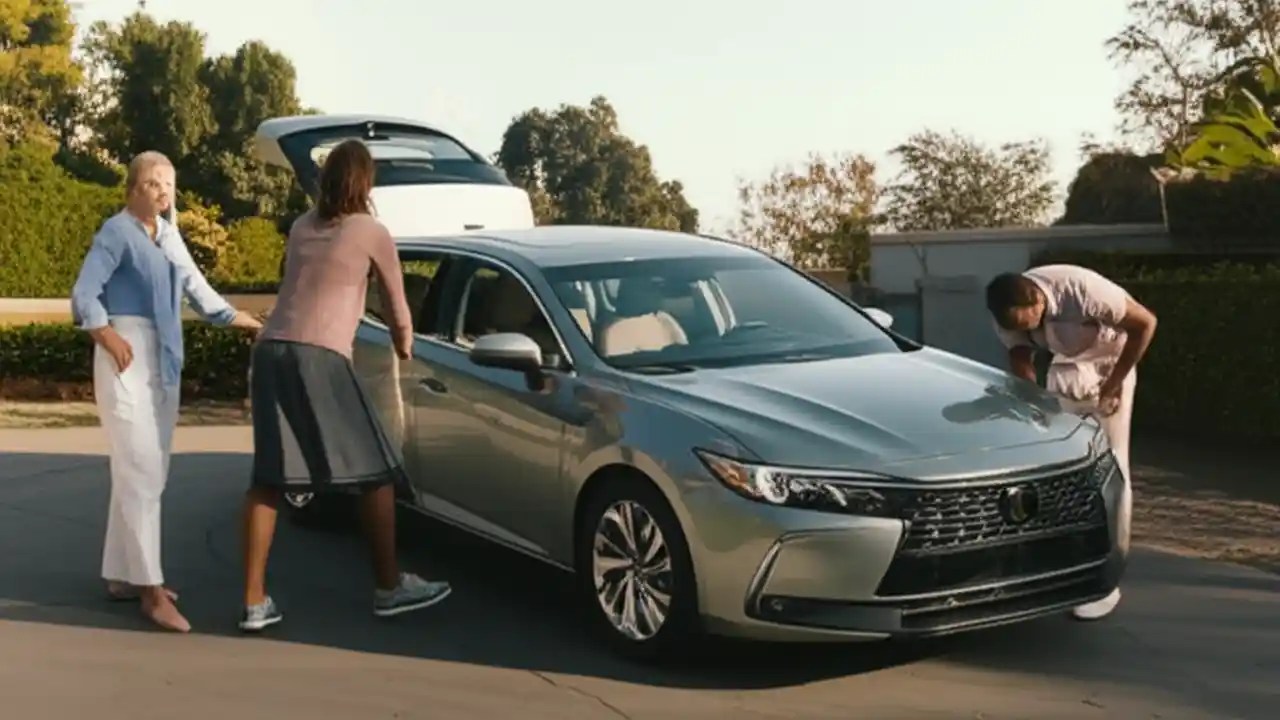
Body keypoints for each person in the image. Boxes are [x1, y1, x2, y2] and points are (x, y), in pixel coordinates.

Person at [238, 139, 451, 632]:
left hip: (271, 350)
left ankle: (253, 603)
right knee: (375, 469)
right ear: (366, 182)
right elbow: (397, 306)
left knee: (269, 478)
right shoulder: (372, 231)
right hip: (319, 355)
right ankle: (389, 587)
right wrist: (405, 347)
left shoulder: (300, 227)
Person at [70, 150, 263, 633]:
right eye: (154, 184)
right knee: (141, 469)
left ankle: (122, 573)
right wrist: (106, 334)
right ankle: (151, 592)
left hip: (163, 360)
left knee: (146, 471)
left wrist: (238, 318)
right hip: (125, 356)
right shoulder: (117, 232)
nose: (163, 192)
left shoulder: (168, 234)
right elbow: (83, 294)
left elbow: (197, 287)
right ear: (133, 188)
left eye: (169, 185)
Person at [985, 264, 1158, 621]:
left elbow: (1146, 324)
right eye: (1018, 328)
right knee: (1059, 465)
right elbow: (1021, 357)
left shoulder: (1083, 289)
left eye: (1029, 323)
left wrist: (1113, 386)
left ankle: (1106, 581)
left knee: (1110, 465)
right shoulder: (1008, 316)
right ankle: (1058, 564)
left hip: (1111, 362)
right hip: (1066, 366)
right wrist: (1035, 405)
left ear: (1037, 299)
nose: (1025, 331)